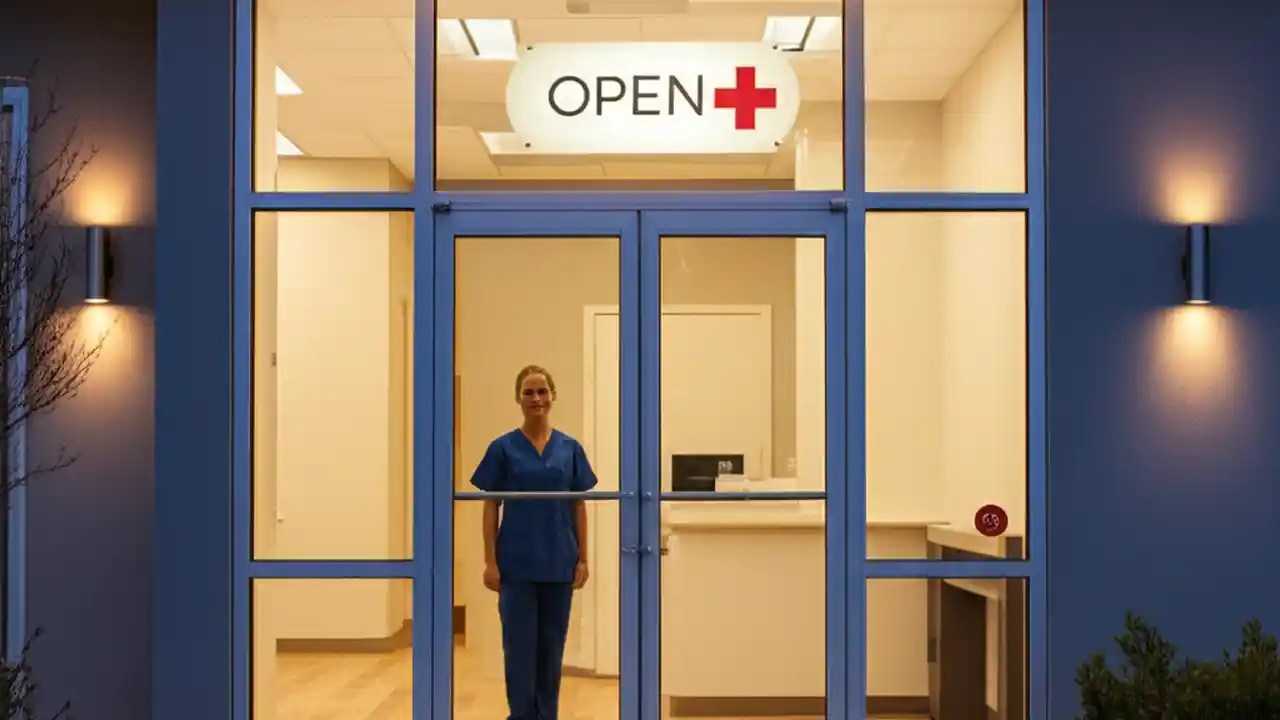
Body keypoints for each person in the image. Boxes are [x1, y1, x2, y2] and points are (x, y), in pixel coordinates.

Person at [471, 364, 597, 720]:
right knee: (519, 649)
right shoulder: (503, 448)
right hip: (516, 565)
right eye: (529, 392)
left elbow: (578, 504)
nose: (536, 398)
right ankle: (522, 715)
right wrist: (491, 562)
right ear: (518, 398)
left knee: (551, 650)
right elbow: (490, 505)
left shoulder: (569, 448)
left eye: (542, 391)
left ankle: (547, 715)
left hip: (559, 561)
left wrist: (583, 558)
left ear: (553, 396)